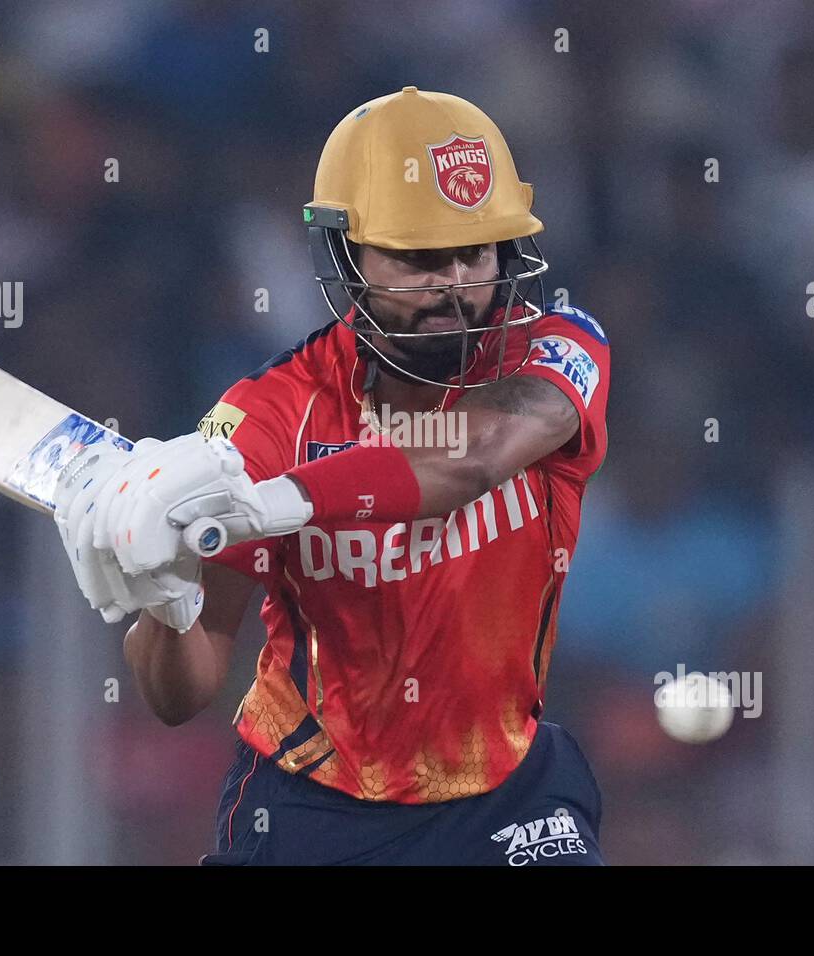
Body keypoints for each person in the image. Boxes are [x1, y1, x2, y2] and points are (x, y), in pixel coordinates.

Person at [53, 87, 611, 865]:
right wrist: (163, 593)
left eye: (476, 252)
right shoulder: (267, 416)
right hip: (312, 809)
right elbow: (181, 693)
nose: (453, 284)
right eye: (418, 258)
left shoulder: (556, 351)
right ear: (346, 254)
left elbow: (473, 456)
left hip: (510, 794)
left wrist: (277, 501)